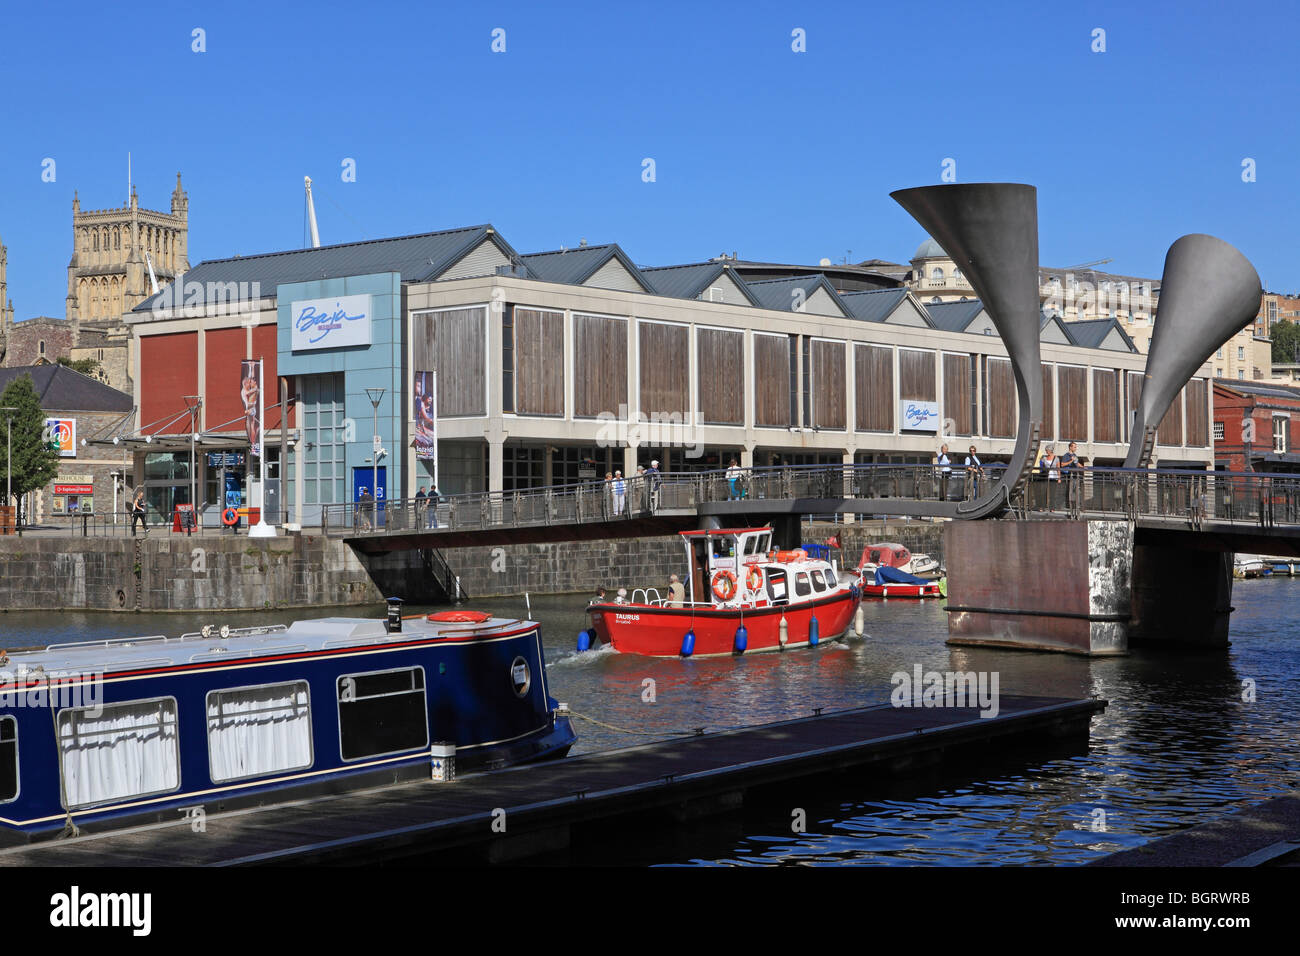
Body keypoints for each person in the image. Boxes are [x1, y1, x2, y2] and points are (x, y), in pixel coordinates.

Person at [1038, 445, 1061, 510]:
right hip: (1045, 476)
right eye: (1046, 450)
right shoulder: (1044, 458)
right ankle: (1042, 507)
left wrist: (1059, 478)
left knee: (1052, 493)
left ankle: (1052, 507)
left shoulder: (1056, 458)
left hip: (1054, 477)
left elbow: (1058, 468)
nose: (1046, 452)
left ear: (1050, 451)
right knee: (1044, 492)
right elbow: (1041, 465)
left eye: (1047, 450)